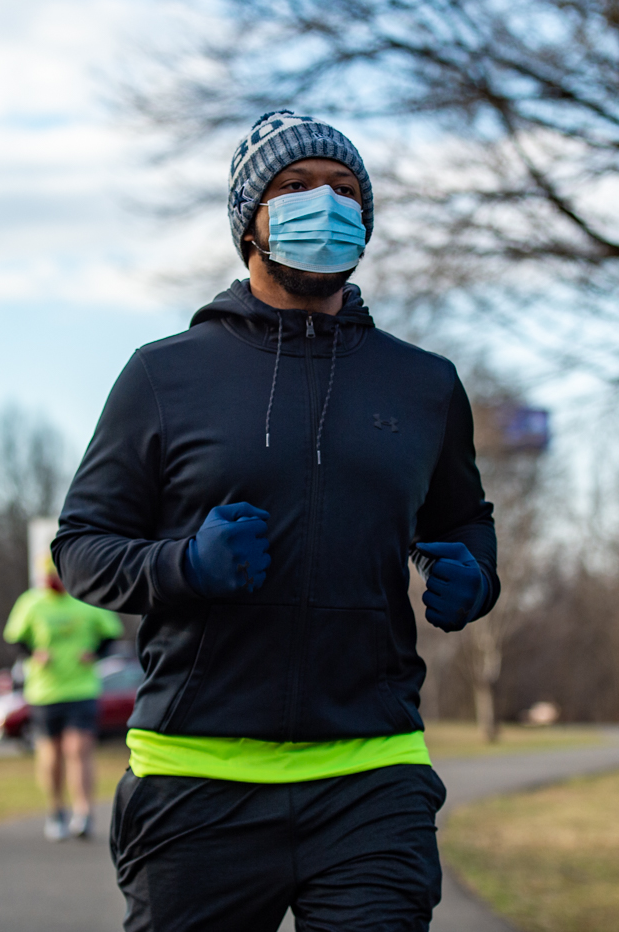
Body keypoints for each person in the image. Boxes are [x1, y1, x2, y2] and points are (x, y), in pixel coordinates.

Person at [53, 110, 499, 931]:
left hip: (371, 773)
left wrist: (476, 577)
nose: (324, 204)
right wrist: (185, 566)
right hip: (195, 778)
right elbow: (80, 548)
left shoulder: (424, 384)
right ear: (249, 220)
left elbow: (466, 519)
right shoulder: (164, 376)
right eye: (295, 187)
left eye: (344, 190)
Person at [3, 561, 123, 842]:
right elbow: (14, 638)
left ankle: (84, 812)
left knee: (79, 750)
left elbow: (111, 634)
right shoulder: (31, 603)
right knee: (51, 754)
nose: (52, 580)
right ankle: (56, 810)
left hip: (82, 688)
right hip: (45, 691)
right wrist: (34, 654)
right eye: (48, 575)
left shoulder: (86, 600)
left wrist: (95, 653)